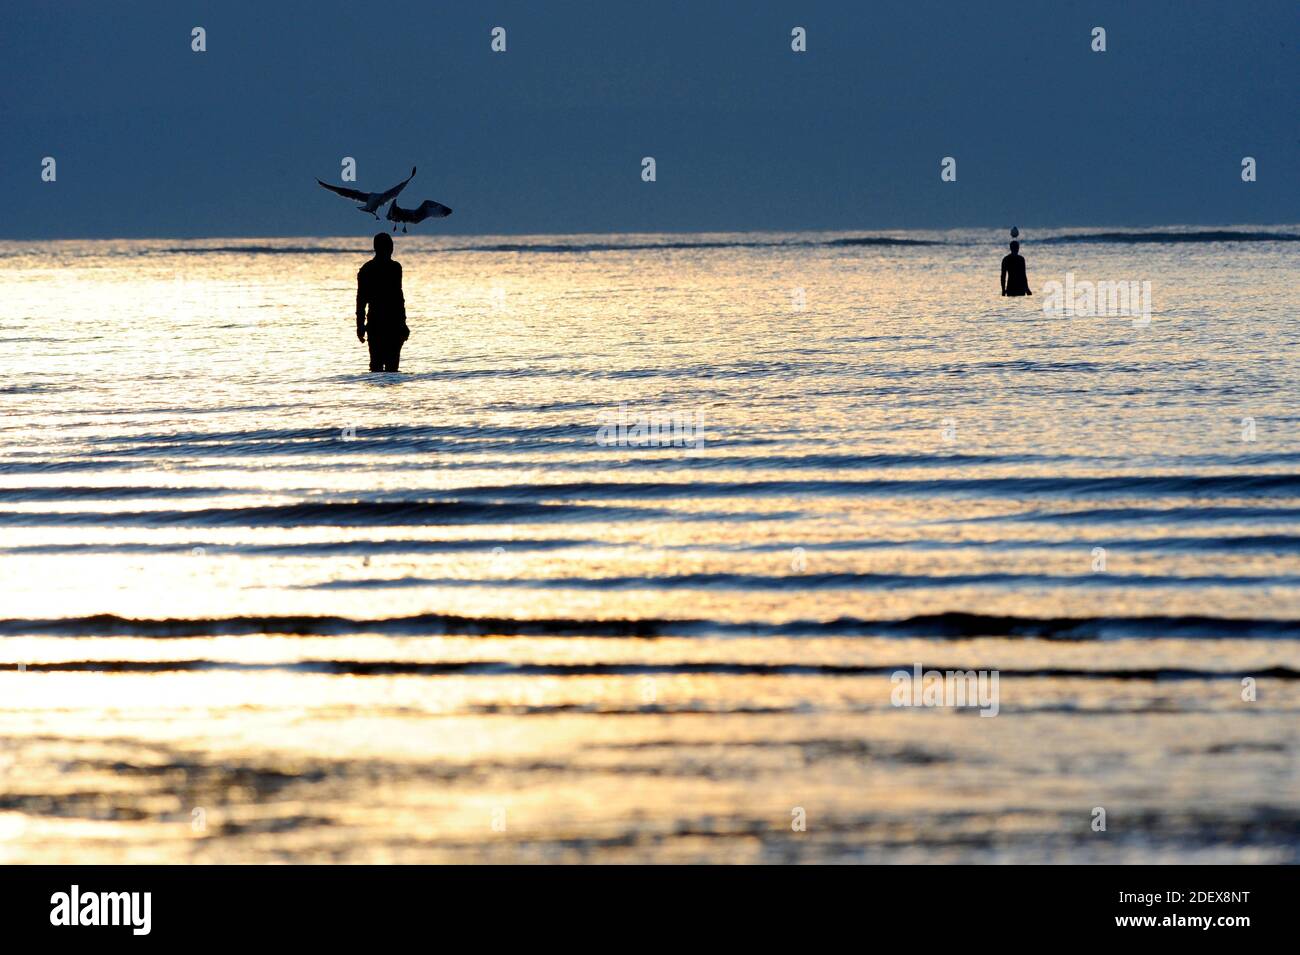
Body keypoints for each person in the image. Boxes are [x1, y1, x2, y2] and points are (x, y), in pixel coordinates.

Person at [356, 232, 409, 371]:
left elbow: (398, 298)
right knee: (384, 367)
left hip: (388, 326)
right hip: (382, 326)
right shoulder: (371, 269)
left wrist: (360, 327)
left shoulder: (392, 268)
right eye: (389, 246)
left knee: (380, 367)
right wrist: (360, 327)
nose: (391, 249)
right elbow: (361, 301)